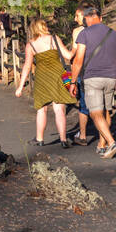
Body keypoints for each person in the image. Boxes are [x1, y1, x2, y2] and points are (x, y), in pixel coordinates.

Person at [68, 6, 116, 159]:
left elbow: (78, 60)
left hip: (92, 79)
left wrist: (73, 82)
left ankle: (112, 143)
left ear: (86, 18)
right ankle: (102, 145)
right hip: (111, 79)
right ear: (100, 17)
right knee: (105, 111)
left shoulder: (84, 34)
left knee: (95, 113)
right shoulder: (114, 35)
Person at [15, 18, 77, 147]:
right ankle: (63, 139)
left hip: (42, 78)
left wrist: (20, 87)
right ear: (43, 27)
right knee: (59, 108)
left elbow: (27, 66)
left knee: (41, 109)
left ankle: (39, 139)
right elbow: (69, 56)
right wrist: (77, 46)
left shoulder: (31, 45)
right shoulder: (54, 39)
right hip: (57, 76)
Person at [68, 8, 93, 146]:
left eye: (76, 15)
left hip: (82, 70)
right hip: (99, 69)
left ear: (83, 16)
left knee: (83, 103)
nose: (74, 19)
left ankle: (83, 135)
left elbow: (74, 53)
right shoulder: (99, 29)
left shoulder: (77, 32)